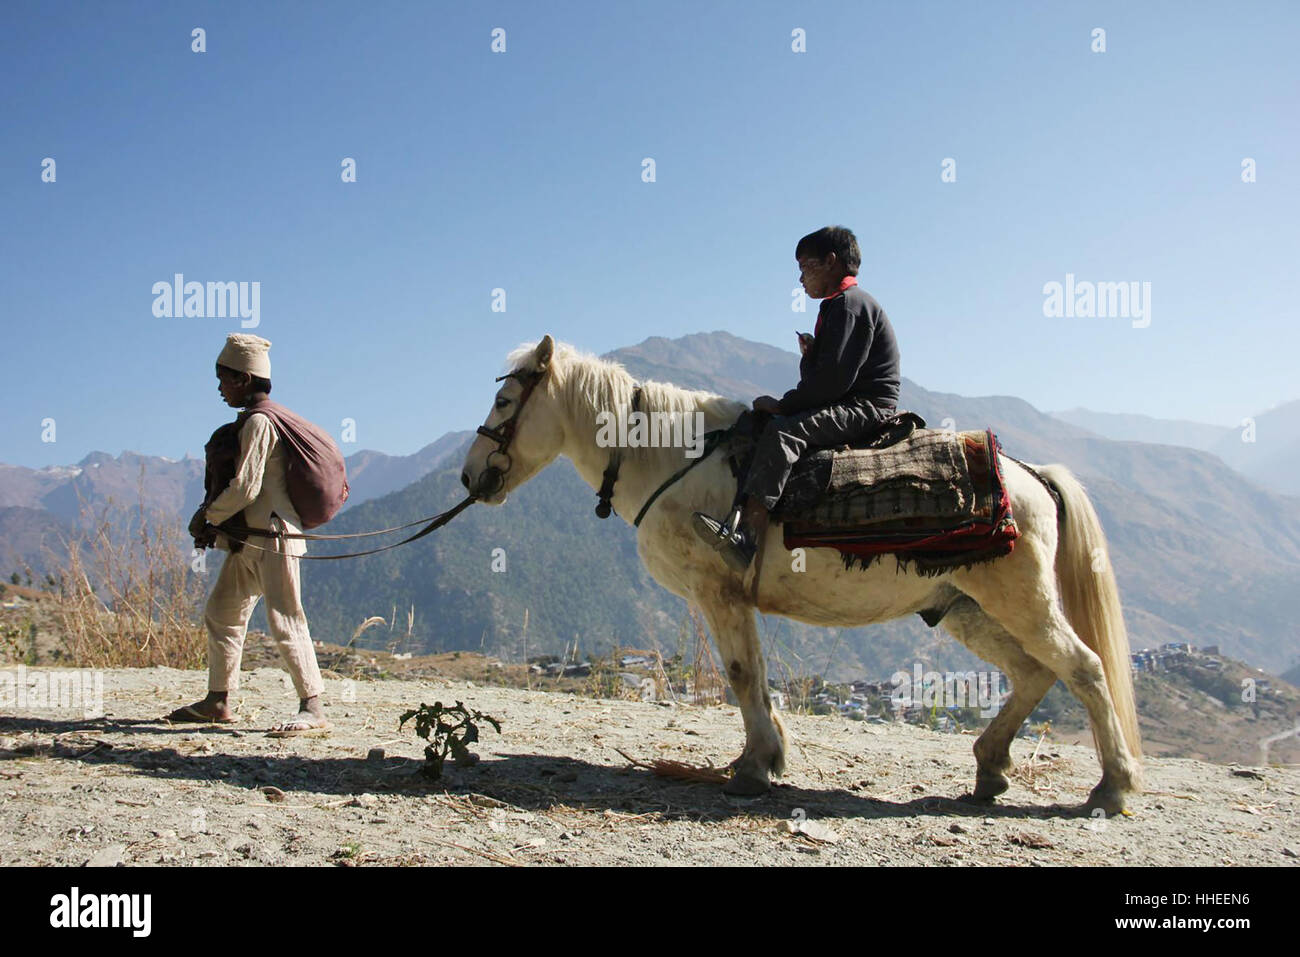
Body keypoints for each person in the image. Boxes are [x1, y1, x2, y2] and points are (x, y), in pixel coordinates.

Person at [693, 225, 901, 572]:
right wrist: (811, 357)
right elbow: (827, 379)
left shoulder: (849, 306)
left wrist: (783, 404)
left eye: (806, 267)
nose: (801, 278)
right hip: (852, 401)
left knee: (783, 432)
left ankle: (748, 539)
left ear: (831, 262)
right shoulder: (841, 306)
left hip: (867, 408)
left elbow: (833, 384)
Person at [166, 334, 331, 736]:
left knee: (286, 618)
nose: (220, 388)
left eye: (224, 379)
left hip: (272, 537)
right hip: (250, 539)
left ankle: (313, 707)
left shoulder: (259, 422)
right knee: (222, 612)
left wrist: (208, 516)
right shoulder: (255, 420)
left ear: (243, 379)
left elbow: (246, 488)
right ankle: (218, 701)